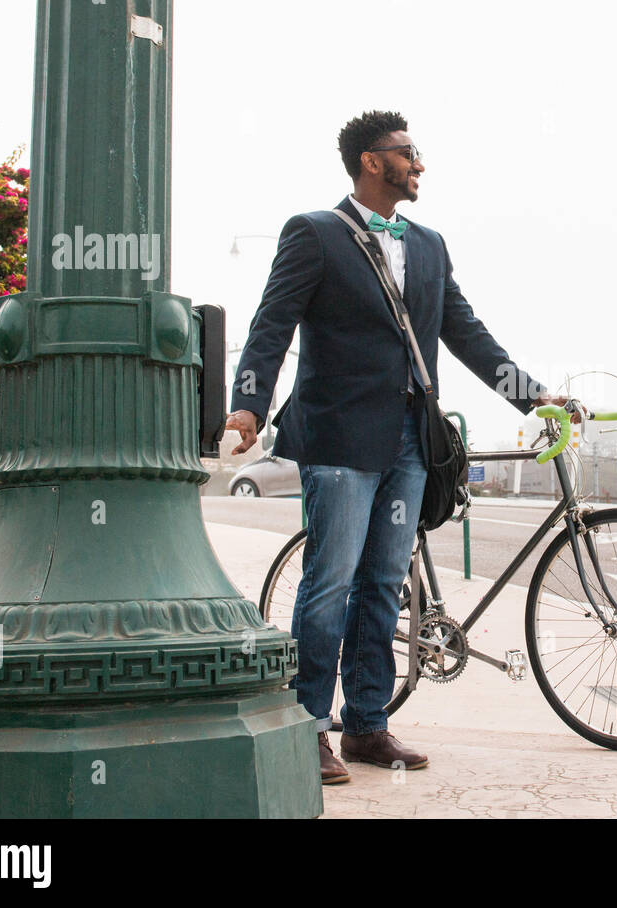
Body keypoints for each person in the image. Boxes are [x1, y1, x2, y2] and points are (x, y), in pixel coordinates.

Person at [226, 110, 567, 785]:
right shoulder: (315, 233)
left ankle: (367, 725)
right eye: (408, 153)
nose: (419, 164)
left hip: (413, 440)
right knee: (330, 585)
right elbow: (273, 322)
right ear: (370, 162)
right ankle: (308, 726)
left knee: (385, 585)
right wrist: (247, 405)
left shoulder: (431, 244)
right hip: (340, 437)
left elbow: (467, 334)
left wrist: (533, 397)